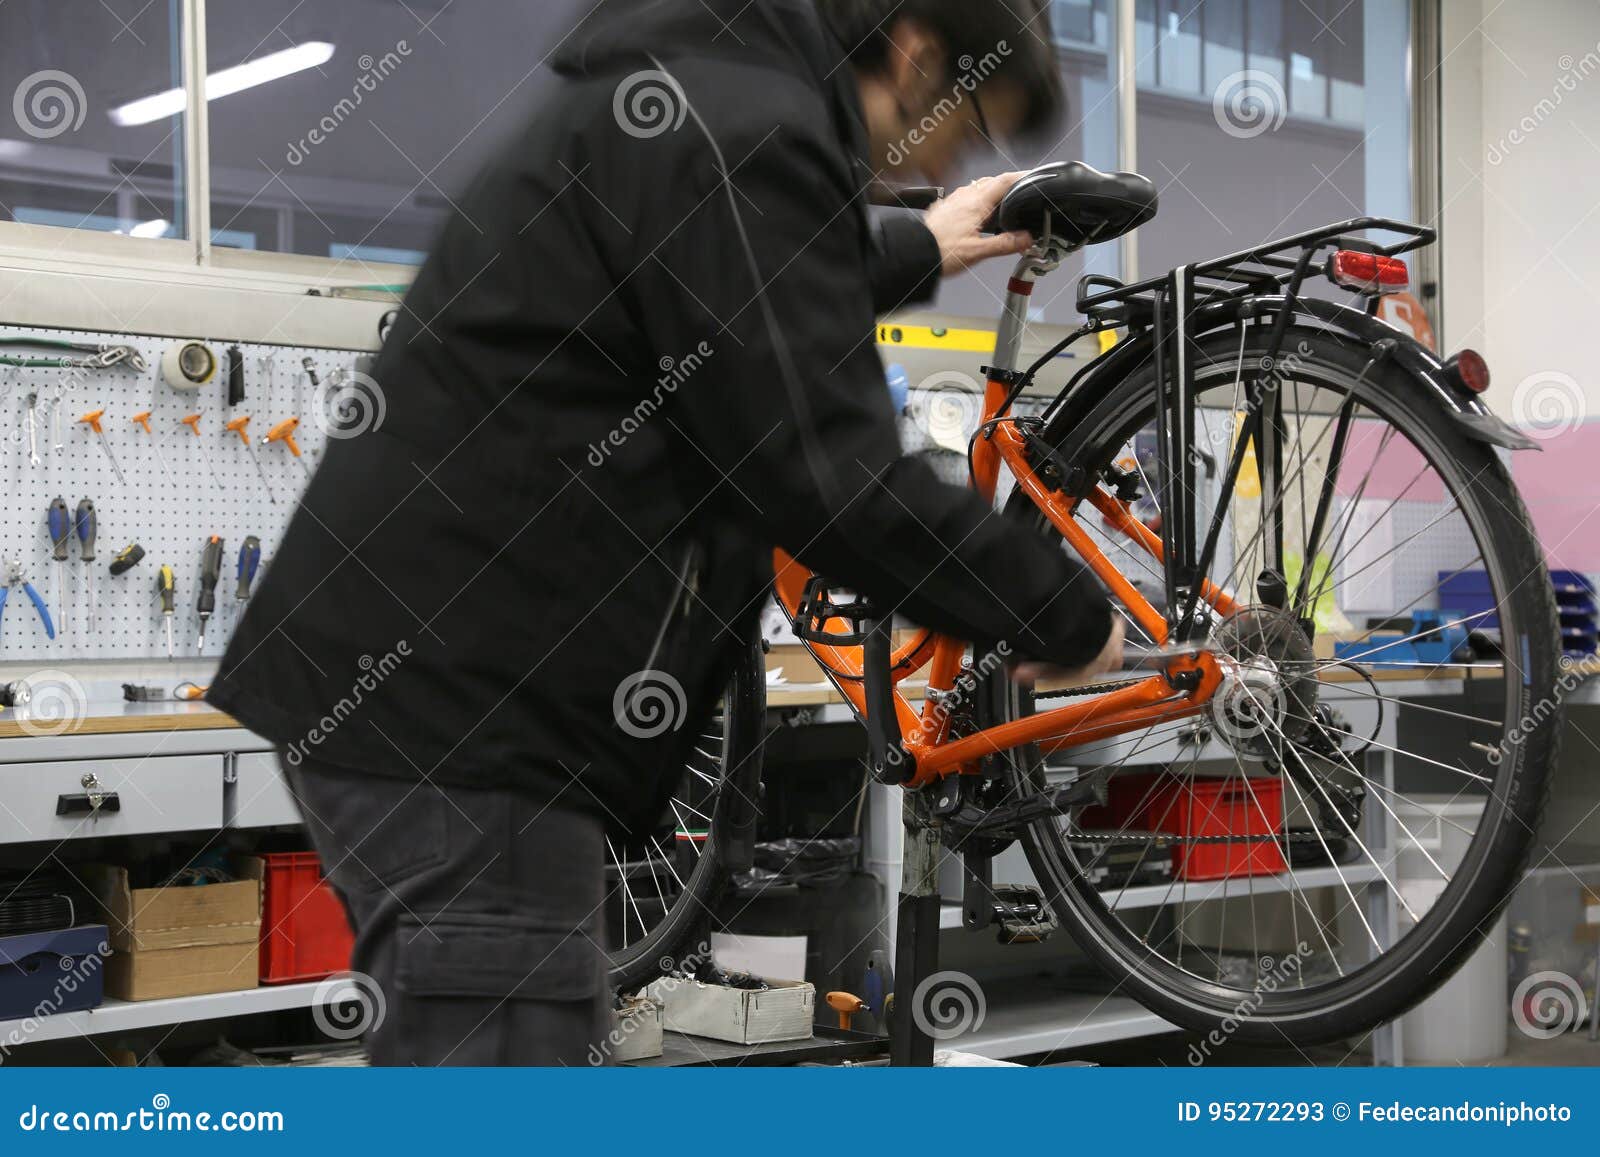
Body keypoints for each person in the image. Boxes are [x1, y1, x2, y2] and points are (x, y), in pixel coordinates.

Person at [207, 0, 1122, 1066]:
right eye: (965, 127)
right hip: (470, 714)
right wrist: (1055, 609)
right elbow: (827, 474)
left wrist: (914, 245)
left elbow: (725, 294)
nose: (948, 154)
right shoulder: (747, 129)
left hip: (436, 688)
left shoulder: (698, 96)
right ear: (916, 59)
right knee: (508, 1062)